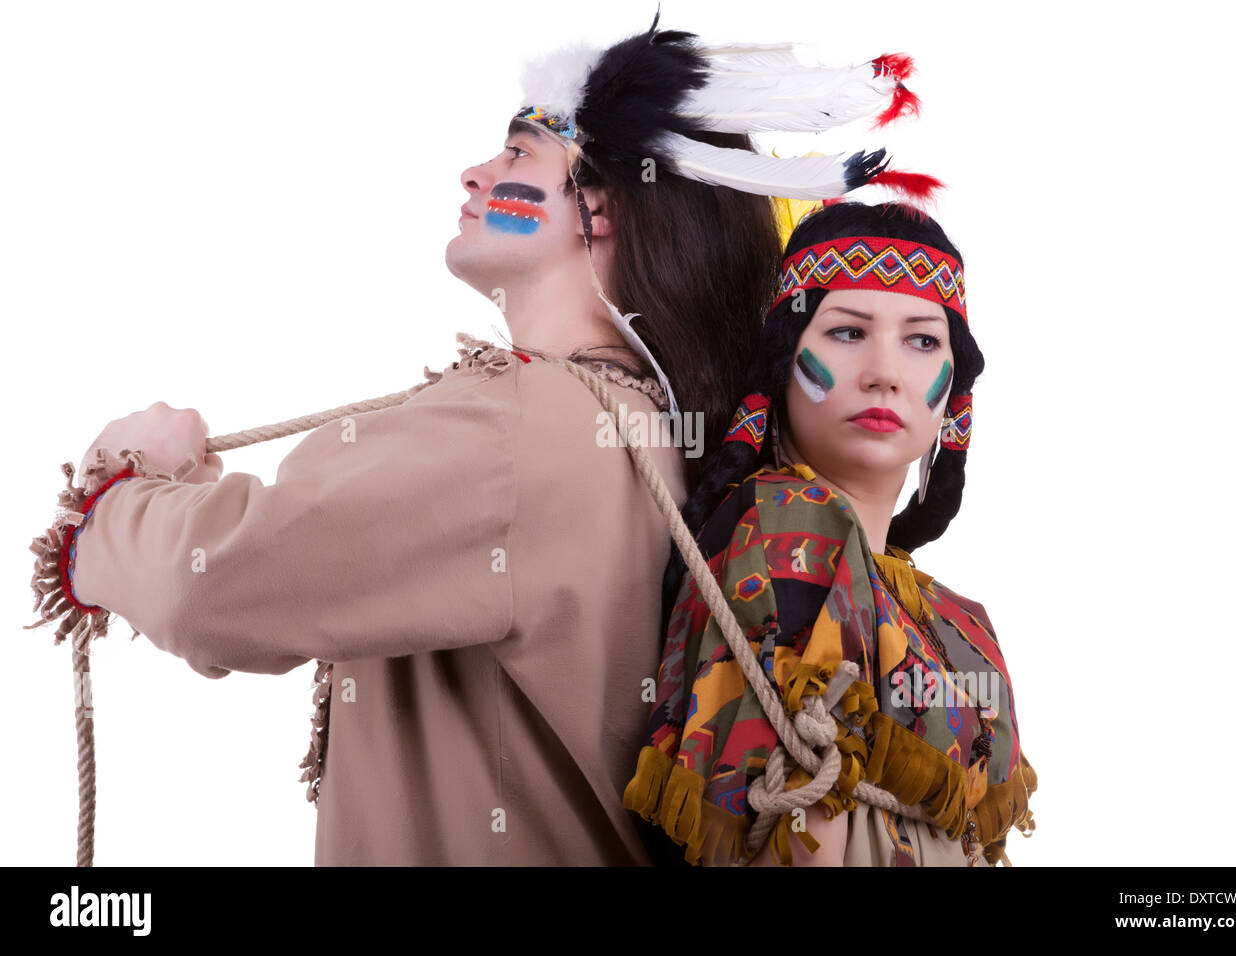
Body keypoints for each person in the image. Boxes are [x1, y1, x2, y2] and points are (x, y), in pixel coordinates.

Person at [27, 14, 924, 864]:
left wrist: (120, 490)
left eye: (518, 152)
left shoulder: (525, 425)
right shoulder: (658, 438)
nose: (474, 174)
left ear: (599, 209)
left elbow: (208, 588)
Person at [623, 199, 1038, 866]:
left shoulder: (961, 621)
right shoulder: (791, 523)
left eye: (922, 340)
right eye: (847, 332)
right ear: (782, 360)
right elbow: (800, 833)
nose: (884, 372)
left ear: (954, 394)